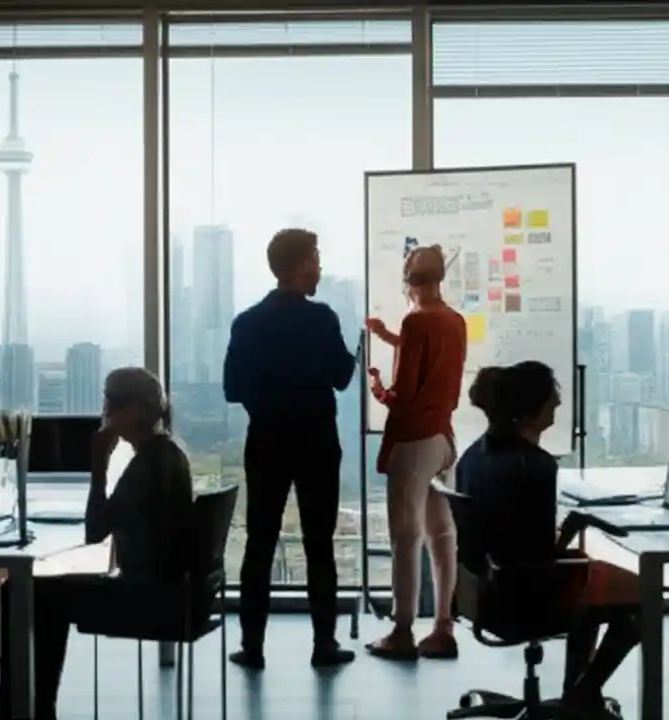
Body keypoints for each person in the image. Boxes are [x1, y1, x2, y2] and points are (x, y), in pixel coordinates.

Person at [0, 367, 194, 720]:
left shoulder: (148, 465)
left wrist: (98, 465)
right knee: (43, 593)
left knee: (22, 593)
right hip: (169, 591)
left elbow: (95, 531)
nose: (105, 412)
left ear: (136, 410)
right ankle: (33, 708)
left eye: (112, 404)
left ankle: (17, 711)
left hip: (146, 599)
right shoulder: (167, 452)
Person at [456, 362, 640, 716]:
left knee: (595, 576)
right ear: (530, 410)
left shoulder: (475, 454)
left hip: (483, 591)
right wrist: (570, 531)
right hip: (521, 598)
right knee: (641, 596)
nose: (557, 402)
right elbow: (541, 555)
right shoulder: (536, 466)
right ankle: (583, 693)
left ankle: (578, 694)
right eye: (551, 397)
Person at [224, 228, 358, 669]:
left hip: (266, 441)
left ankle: (253, 646)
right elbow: (342, 377)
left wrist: (265, 403)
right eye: (316, 259)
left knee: (259, 544)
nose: (320, 267)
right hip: (317, 442)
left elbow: (231, 388)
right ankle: (323, 645)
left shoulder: (247, 322)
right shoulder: (322, 319)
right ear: (301, 266)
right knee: (319, 545)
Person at [364, 244, 467, 661]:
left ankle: (402, 628)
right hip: (443, 439)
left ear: (410, 281)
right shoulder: (453, 320)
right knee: (442, 536)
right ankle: (443, 626)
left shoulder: (416, 321)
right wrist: (388, 335)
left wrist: (378, 389)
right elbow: (429, 355)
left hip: (412, 441)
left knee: (405, 538)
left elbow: (404, 393)